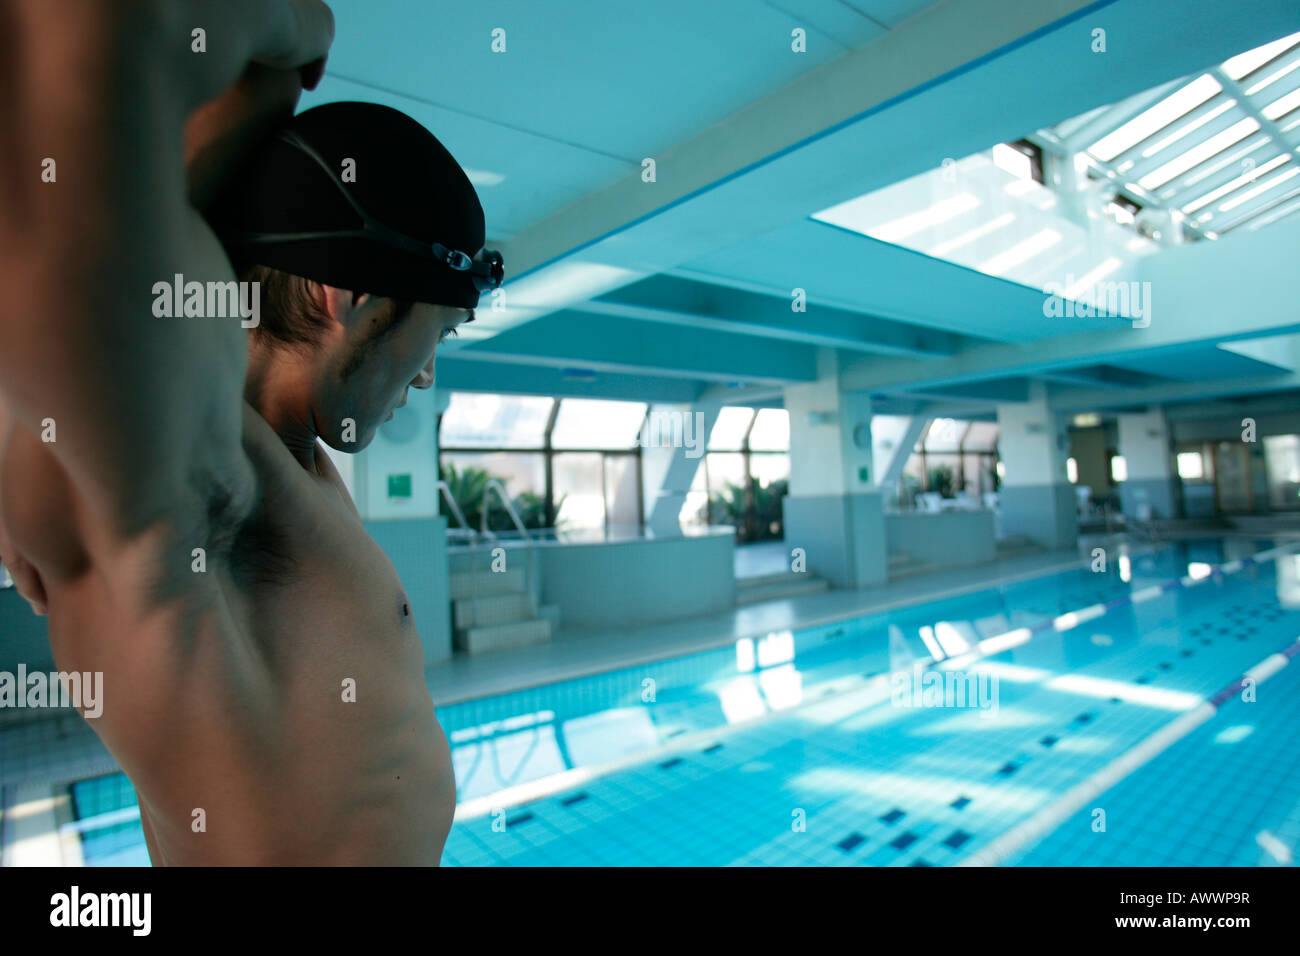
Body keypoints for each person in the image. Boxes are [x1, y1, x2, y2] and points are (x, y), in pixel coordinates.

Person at [0, 0, 500, 864]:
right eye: (438, 335)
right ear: (354, 302)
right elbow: (70, 59)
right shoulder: (199, 476)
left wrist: (273, 78)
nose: (425, 376)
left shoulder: (282, 457)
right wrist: (300, 21)